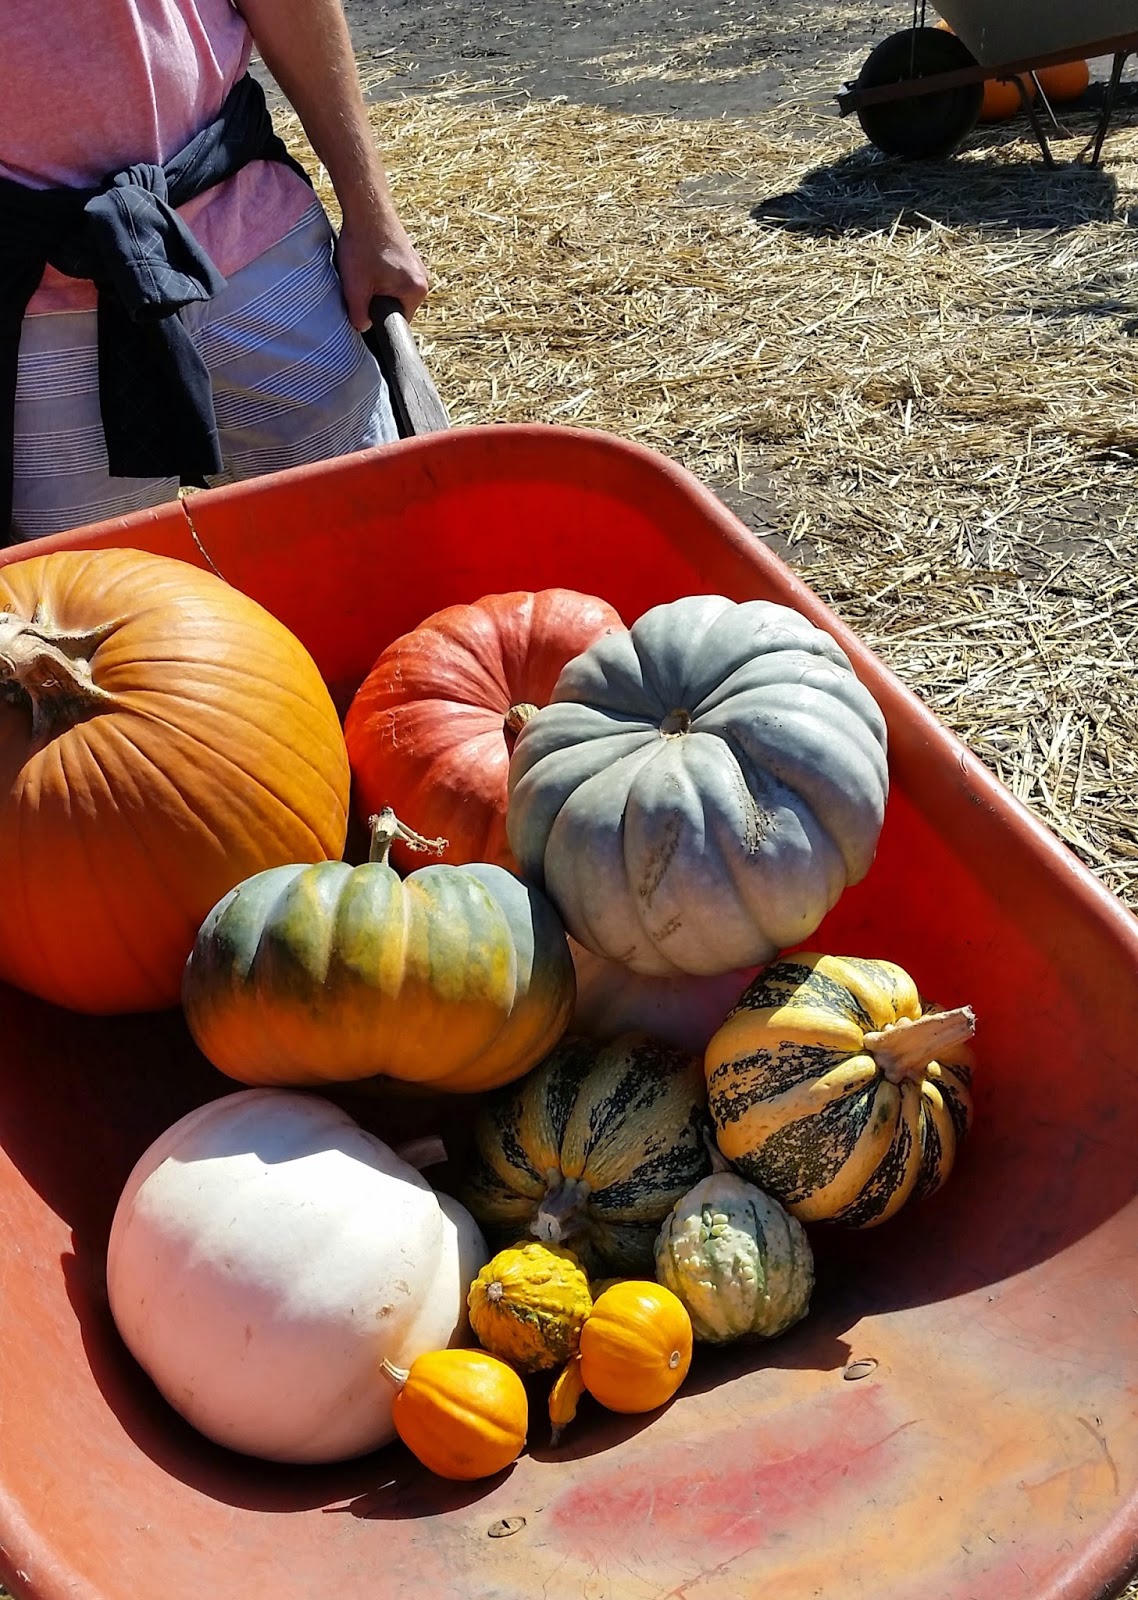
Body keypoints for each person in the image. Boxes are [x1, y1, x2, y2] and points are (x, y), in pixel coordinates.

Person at [2, 0, 429, 544]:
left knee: (377, 529)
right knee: (87, 601)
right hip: (33, 298)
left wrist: (372, 214)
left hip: (252, 233)